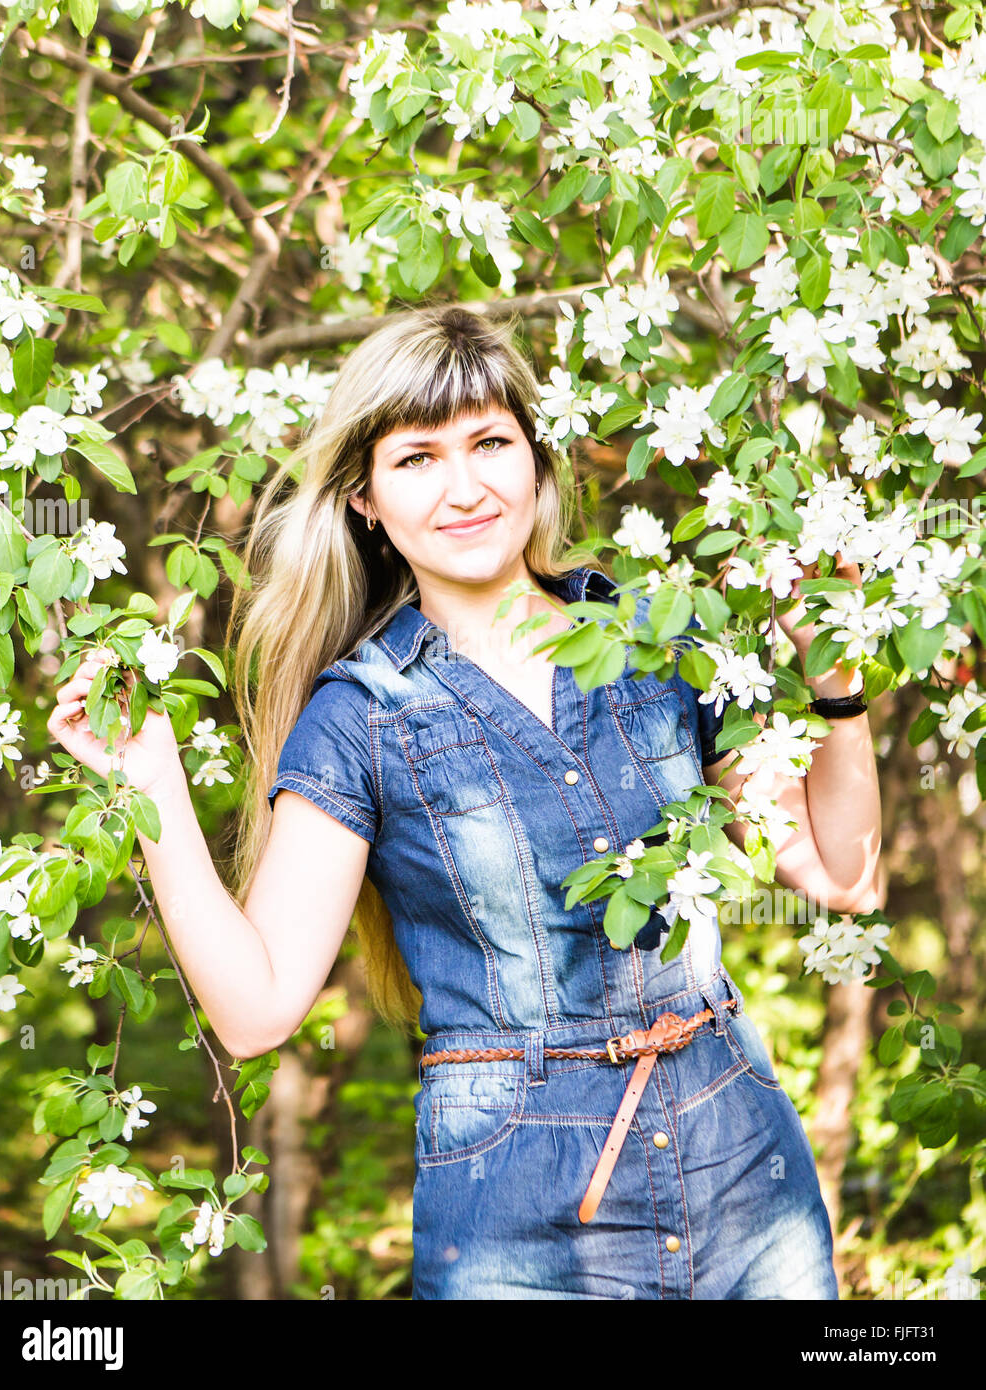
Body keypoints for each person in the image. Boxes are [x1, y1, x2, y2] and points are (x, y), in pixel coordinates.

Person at [48, 303, 886, 1300]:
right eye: (417, 458)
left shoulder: (658, 636)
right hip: (517, 1208)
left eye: (490, 442)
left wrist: (834, 675)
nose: (465, 486)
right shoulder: (359, 716)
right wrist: (152, 781)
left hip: (743, 1157)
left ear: (537, 460)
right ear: (366, 498)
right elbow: (256, 1011)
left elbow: (842, 871)